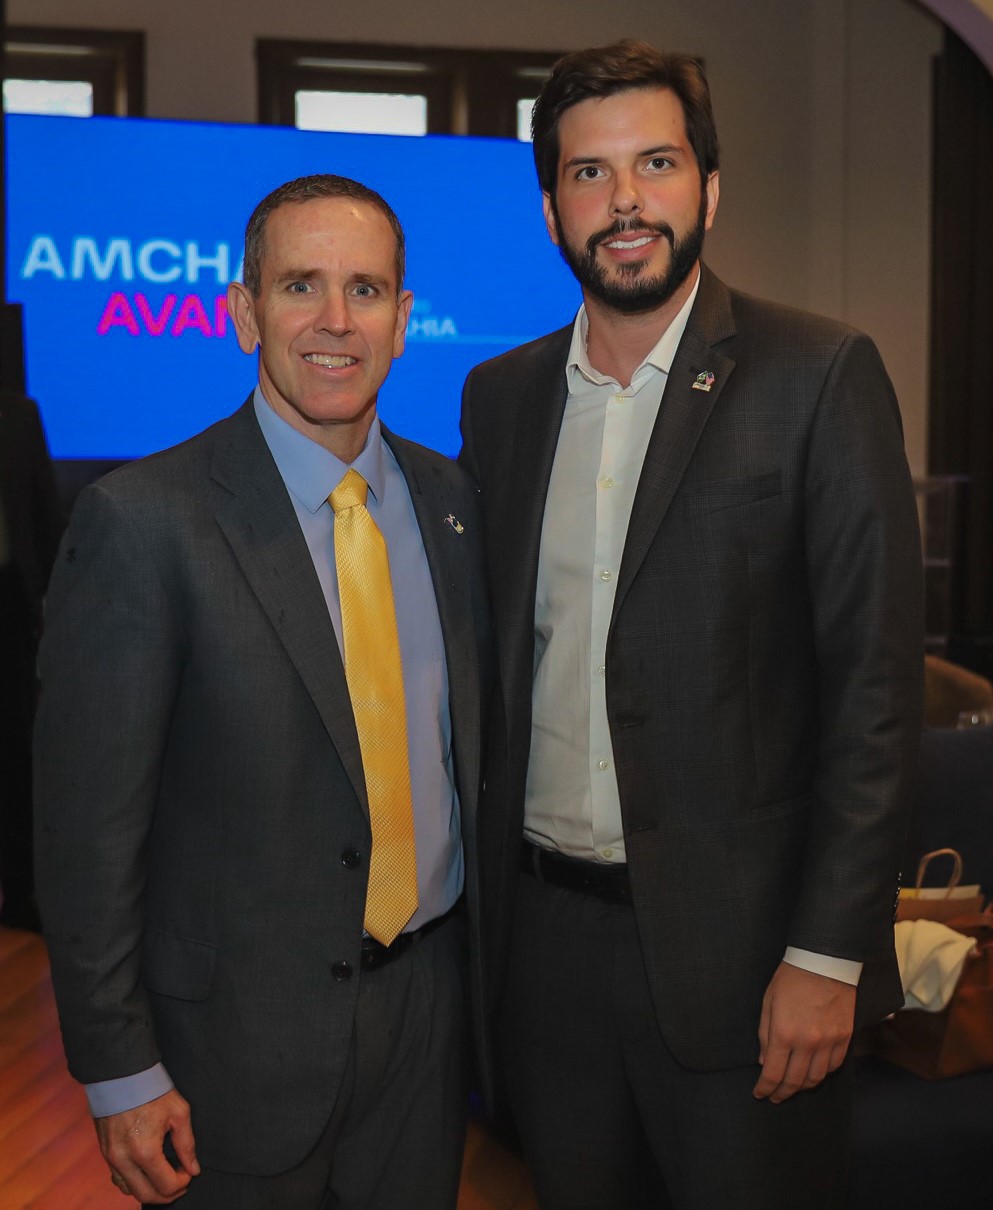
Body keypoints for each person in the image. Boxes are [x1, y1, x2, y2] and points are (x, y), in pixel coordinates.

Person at [460, 40, 923, 1210]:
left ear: (709, 190)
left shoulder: (819, 375)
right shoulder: (499, 399)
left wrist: (827, 953)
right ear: (552, 209)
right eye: (589, 173)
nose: (624, 201)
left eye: (655, 164)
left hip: (753, 964)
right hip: (545, 957)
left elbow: (873, 695)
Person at [35, 174, 489, 1209]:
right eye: (299, 286)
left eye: (365, 290)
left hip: (427, 1031)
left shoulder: (453, 504)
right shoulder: (142, 522)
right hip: (228, 1053)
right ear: (244, 312)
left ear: (403, 320)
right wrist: (118, 1067)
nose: (335, 320)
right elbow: (85, 831)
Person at [0, 390, 63, 931]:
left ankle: (22, 894)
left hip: (10, 606)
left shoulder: (19, 415)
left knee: (16, 754)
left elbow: (43, 513)